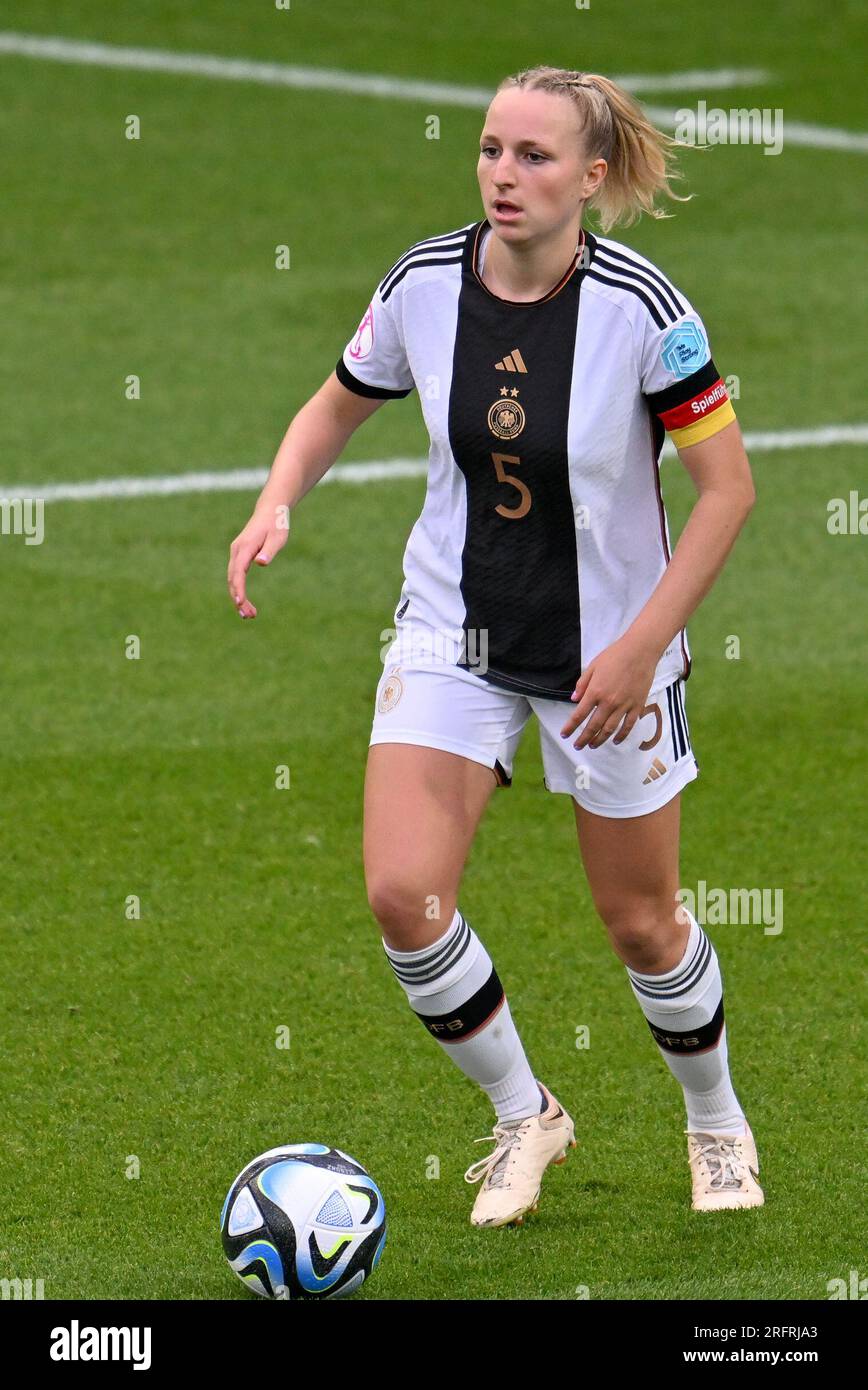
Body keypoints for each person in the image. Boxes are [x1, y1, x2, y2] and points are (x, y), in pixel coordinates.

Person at [227, 65, 762, 1230]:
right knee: (402, 892)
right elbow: (334, 402)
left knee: (641, 921)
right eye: (488, 150)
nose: (502, 176)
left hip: (607, 656)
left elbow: (727, 491)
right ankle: (526, 1113)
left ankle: (715, 1121)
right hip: (451, 629)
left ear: (591, 175)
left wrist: (642, 646)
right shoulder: (424, 281)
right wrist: (278, 497)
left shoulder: (646, 313)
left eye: (530, 157)